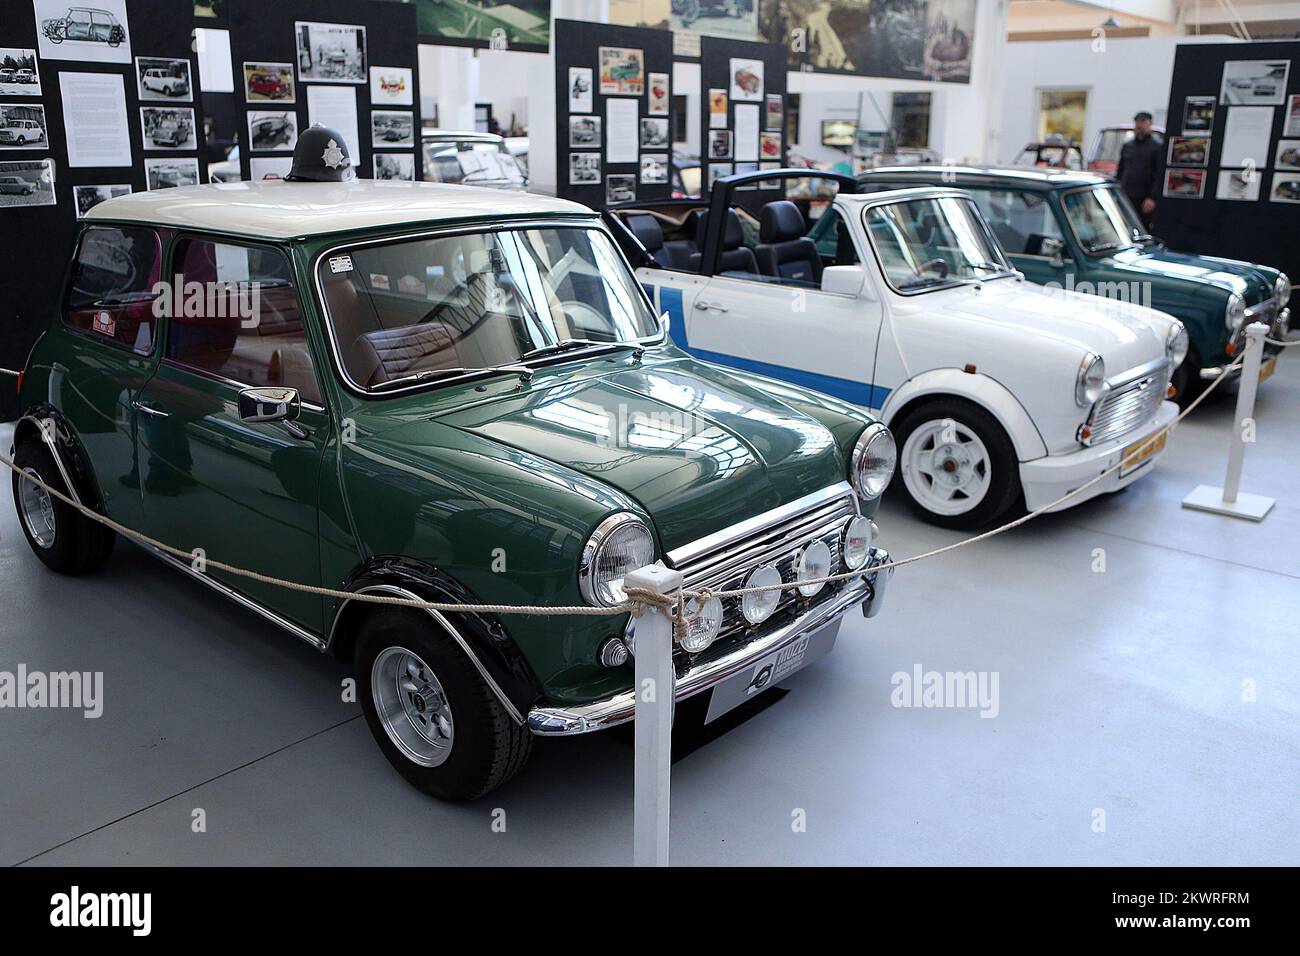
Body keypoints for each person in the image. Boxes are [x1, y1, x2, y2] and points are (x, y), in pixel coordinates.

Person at [1115, 111, 1163, 231]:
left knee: (1143, 228)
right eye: (1137, 122)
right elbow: (1120, 171)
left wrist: (1152, 197)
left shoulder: (1157, 146)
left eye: (1143, 121)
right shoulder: (1128, 145)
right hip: (1126, 195)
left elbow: (1159, 174)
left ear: (1149, 123)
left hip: (1144, 198)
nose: (1139, 125)